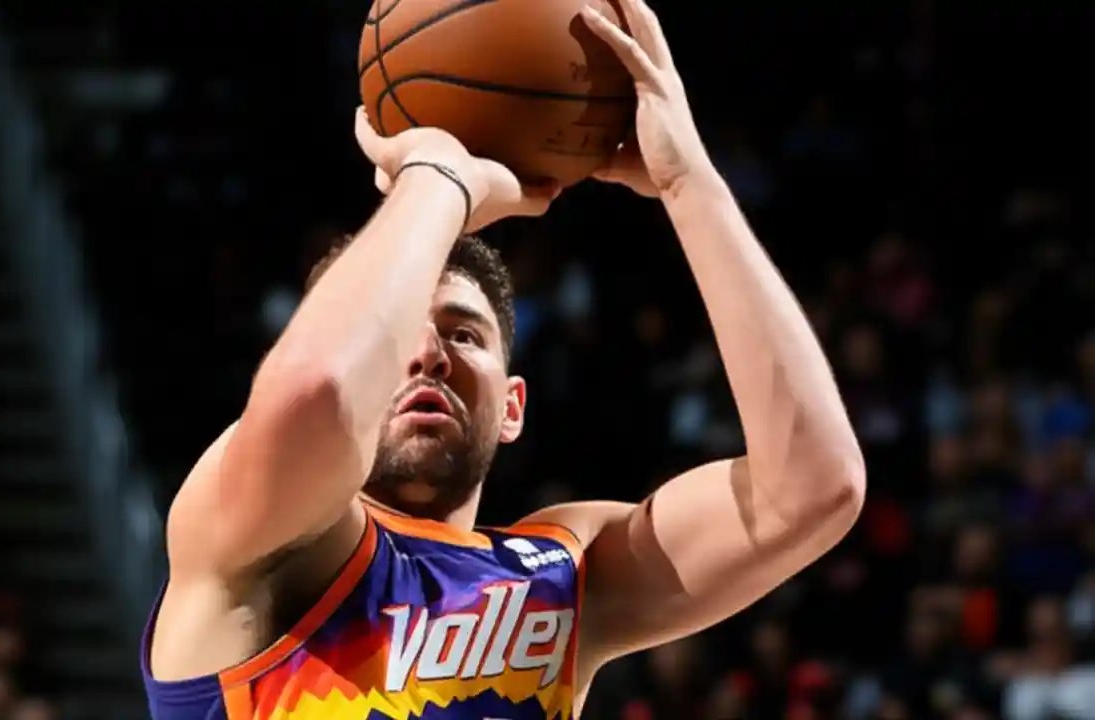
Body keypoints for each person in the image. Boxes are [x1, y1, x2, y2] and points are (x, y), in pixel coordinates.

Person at [141, 1, 867, 718]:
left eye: (462, 334)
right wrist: (440, 177)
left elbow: (811, 488)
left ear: (514, 405)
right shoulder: (251, 541)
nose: (427, 354)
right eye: (403, 335)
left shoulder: (564, 573)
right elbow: (317, 391)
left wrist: (689, 184)